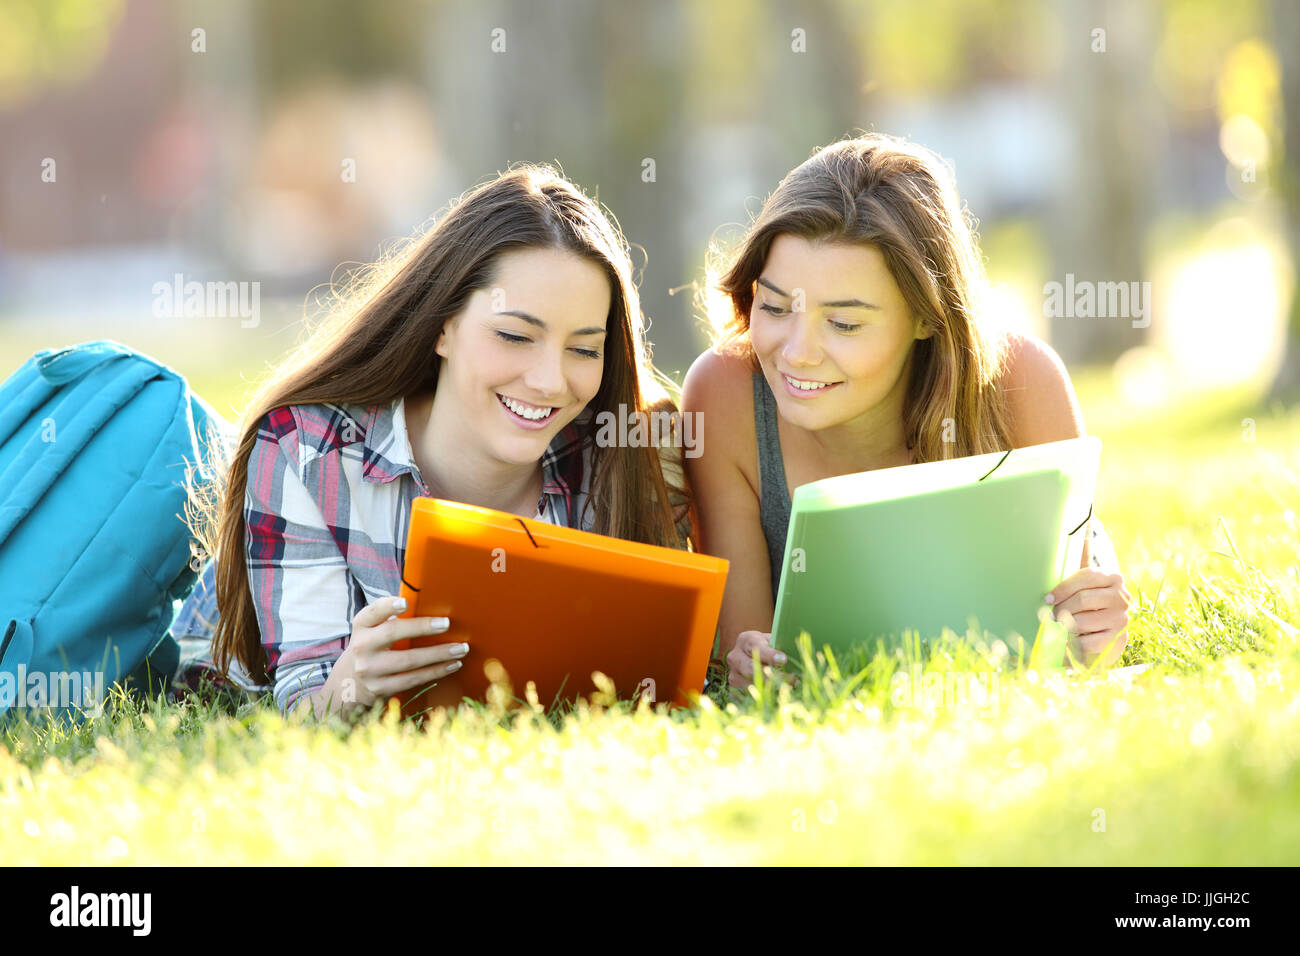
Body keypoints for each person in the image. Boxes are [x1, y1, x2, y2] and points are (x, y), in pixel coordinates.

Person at [182, 164, 695, 719]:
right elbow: (305, 707)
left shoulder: (629, 455)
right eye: (514, 335)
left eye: (584, 349)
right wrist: (353, 682)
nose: (550, 381)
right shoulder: (307, 450)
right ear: (443, 325)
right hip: (216, 644)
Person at [680, 133, 1132, 691]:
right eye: (773, 307)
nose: (796, 351)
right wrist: (748, 665)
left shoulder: (1022, 381)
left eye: (844, 323)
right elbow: (740, 658)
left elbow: (1069, 642)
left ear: (926, 318)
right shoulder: (723, 395)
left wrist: (1091, 632)